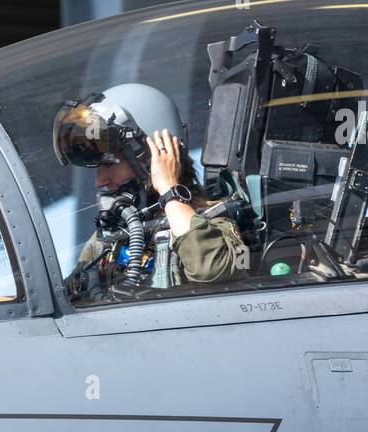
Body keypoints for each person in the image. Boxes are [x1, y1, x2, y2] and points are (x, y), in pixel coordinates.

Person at [53, 84, 249, 304]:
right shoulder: (112, 237)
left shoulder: (214, 219)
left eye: (109, 164)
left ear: (152, 158)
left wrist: (168, 188)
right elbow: (66, 296)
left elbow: (212, 269)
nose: (100, 181)